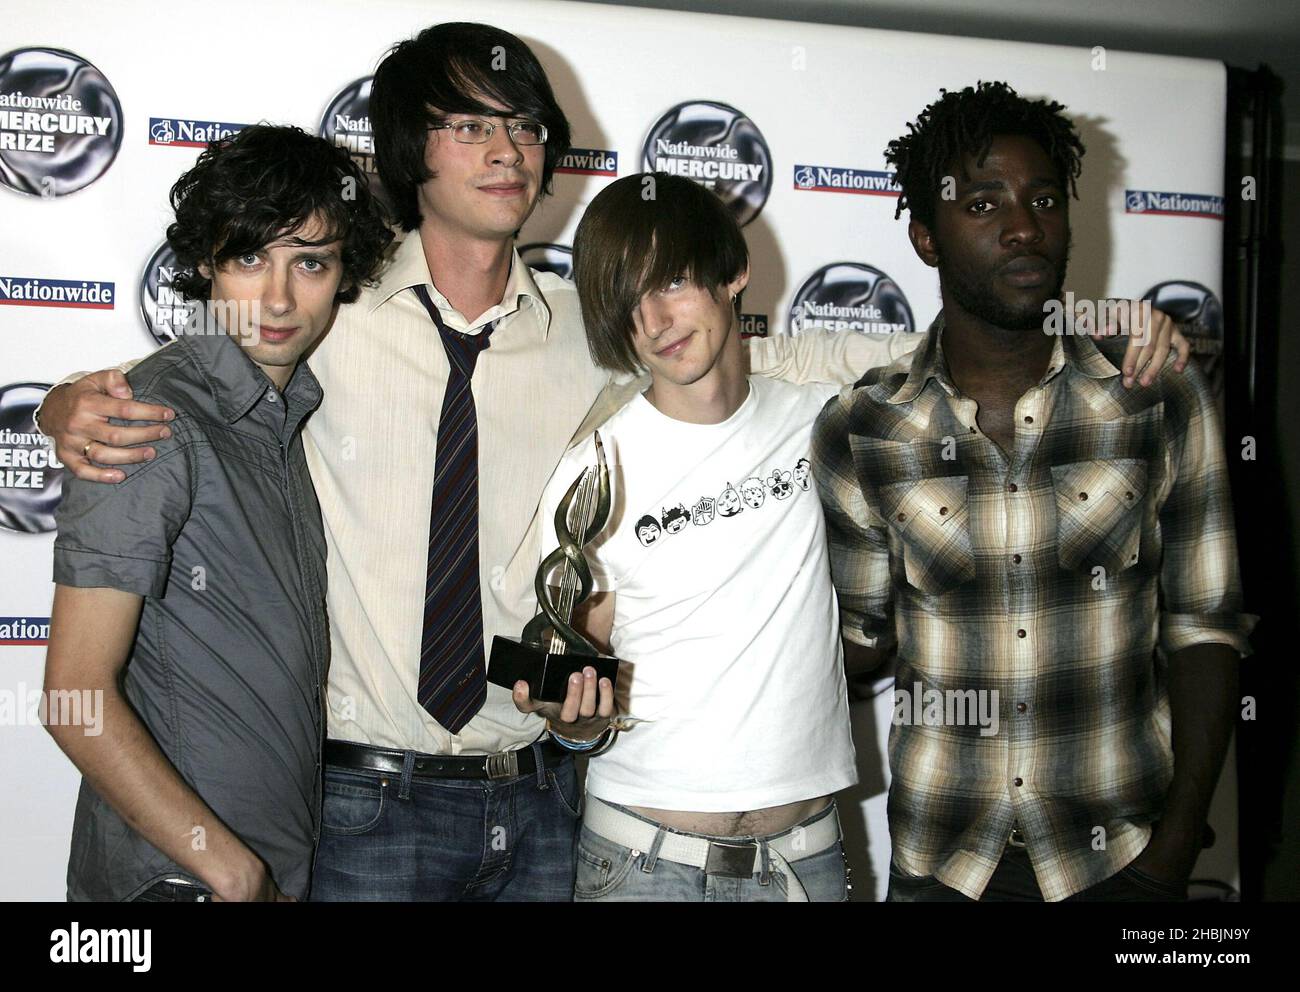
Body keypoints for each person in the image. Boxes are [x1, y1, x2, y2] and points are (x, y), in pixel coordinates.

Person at [33, 25, 1185, 899]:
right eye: (471, 125)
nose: (509, 148)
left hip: (546, 799)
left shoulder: (600, 335)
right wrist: (62, 404)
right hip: (361, 804)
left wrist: (1092, 324)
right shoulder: (333, 304)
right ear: (406, 154)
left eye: (525, 126)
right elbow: (216, 363)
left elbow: (837, 349)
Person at [510, 171, 1187, 902]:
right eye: (628, 302)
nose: (656, 320)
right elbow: (571, 661)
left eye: (672, 281)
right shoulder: (597, 464)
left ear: (732, 271)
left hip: (808, 858)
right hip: (642, 859)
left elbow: (981, 344)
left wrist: (1116, 324)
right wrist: (569, 714)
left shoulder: (837, 422)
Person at [812, 81, 1255, 903]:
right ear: (925, 238)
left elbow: (1206, 632)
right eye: (983, 204)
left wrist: (1172, 852)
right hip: (944, 863)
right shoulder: (863, 427)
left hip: (1123, 860)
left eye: (1044, 199)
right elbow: (861, 642)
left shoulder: (1156, 394)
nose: (1024, 227)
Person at [43, 124, 392, 902]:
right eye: (247, 258)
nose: (276, 299)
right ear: (206, 263)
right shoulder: (147, 420)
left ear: (344, 275)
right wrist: (228, 868)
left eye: (309, 262)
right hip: (178, 881)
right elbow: (73, 694)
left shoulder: (285, 415)